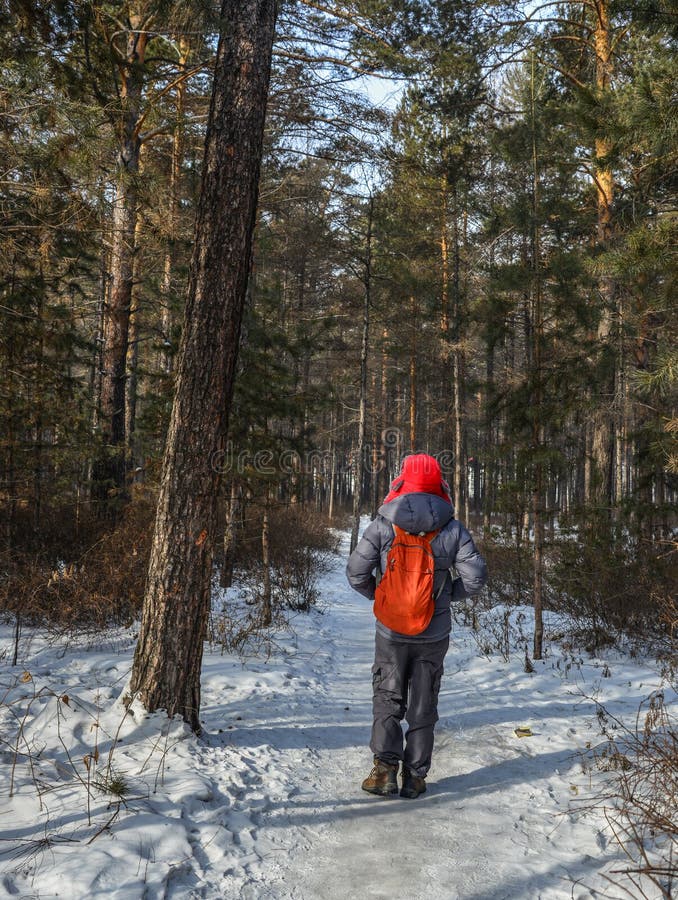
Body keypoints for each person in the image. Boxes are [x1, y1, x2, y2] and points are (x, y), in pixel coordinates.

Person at [346, 453, 487, 799]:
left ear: (402, 480)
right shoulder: (452, 527)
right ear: (439, 482)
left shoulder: (383, 523)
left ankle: (383, 771)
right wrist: (443, 597)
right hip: (433, 633)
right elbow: (476, 577)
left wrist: (382, 597)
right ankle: (415, 776)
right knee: (424, 700)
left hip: (391, 631)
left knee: (387, 695)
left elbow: (355, 573)